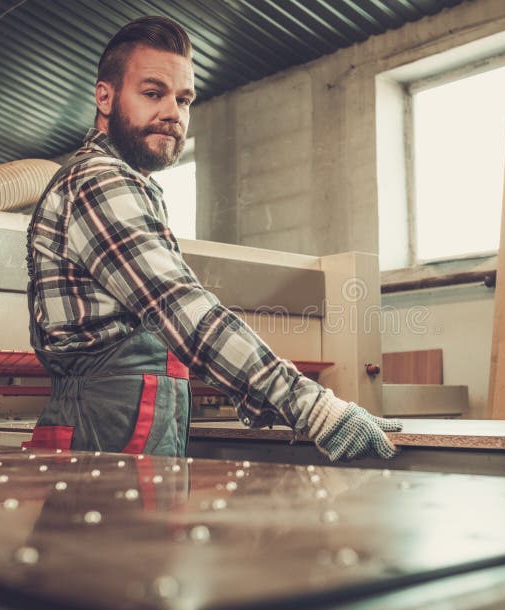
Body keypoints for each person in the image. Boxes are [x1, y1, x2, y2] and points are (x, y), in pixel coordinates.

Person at [24, 15, 402, 461]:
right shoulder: (98, 182)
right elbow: (185, 312)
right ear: (104, 96)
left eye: (184, 100)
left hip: (122, 430)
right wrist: (315, 409)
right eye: (153, 93)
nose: (172, 113)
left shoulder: (126, 184)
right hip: (102, 435)